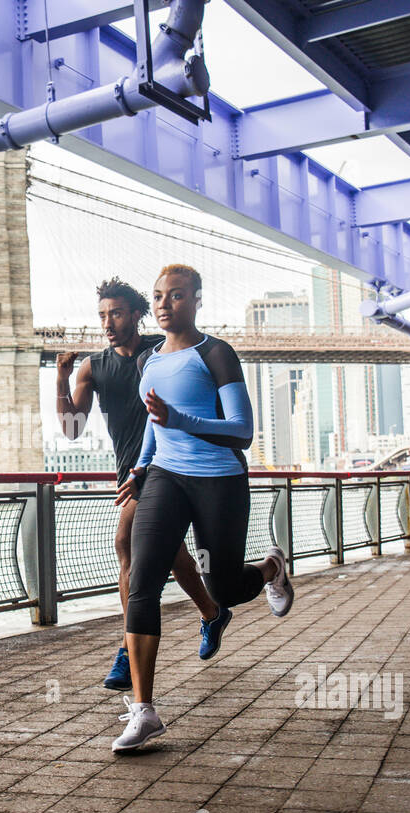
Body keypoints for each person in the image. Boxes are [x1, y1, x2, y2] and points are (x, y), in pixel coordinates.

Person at [111, 264, 294, 753]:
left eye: (175, 296)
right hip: (166, 480)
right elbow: (154, 425)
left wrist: (181, 419)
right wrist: (141, 468)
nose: (164, 304)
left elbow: (242, 430)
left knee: (225, 588)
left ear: (195, 300)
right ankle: (144, 710)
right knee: (144, 582)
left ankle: (272, 568)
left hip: (219, 480)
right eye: (157, 297)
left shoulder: (215, 353)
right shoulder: (148, 361)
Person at [55, 277, 229, 691]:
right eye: (102, 315)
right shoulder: (93, 366)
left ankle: (127, 647)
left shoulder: (162, 350)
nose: (108, 323)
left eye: (116, 313)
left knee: (125, 541)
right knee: (169, 553)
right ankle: (212, 613)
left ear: (137, 314)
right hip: (128, 471)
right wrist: (61, 380)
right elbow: (73, 429)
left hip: (168, 466)